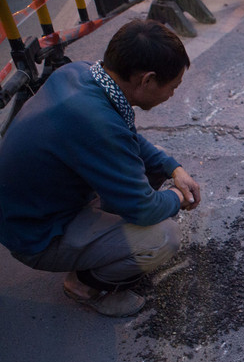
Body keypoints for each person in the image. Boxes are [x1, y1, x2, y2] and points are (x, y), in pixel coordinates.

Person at [0, 19, 201, 317]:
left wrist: (173, 169)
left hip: (35, 203)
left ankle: (101, 235)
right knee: (163, 238)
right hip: (36, 233)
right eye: (173, 87)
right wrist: (176, 198)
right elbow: (144, 209)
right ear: (146, 80)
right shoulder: (96, 124)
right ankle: (83, 285)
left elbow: (126, 139)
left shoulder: (80, 73)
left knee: (153, 163)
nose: (172, 94)